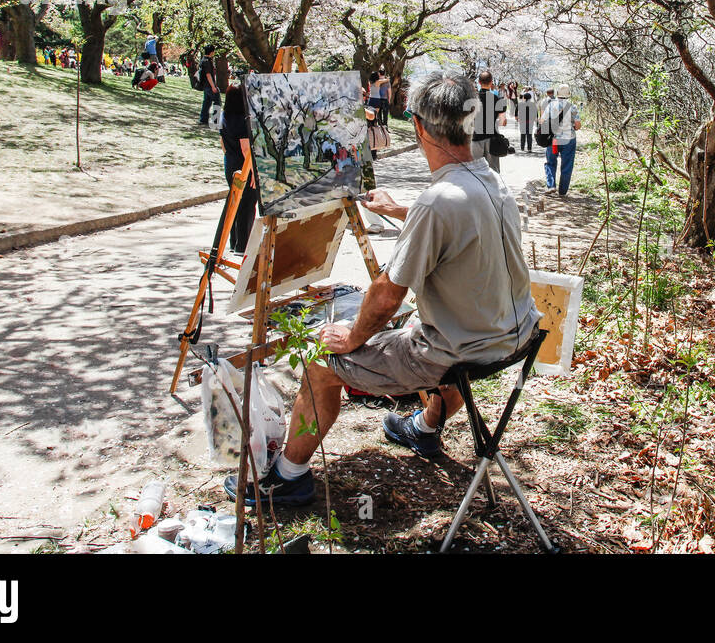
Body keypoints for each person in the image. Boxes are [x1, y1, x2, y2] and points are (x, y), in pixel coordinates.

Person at [224, 71, 542, 506]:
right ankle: (424, 428)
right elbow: (460, 219)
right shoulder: (491, 181)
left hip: (461, 352)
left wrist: (351, 337)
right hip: (516, 336)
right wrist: (400, 209)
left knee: (320, 362)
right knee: (417, 325)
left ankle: (287, 478)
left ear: (418, 126)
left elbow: (388, 294)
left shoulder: (437, 203)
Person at [219, 85, 258, 253]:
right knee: (248, 204)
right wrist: (254, 174)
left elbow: (222, 143)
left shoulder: (223, 115)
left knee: (235, 202)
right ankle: (243, 245)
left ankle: (234, 242)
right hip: (244, 165)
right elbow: (246, 148)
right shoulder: (242, 119)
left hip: (230, 162)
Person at [540, 83, 581, 197]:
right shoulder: (573, 107)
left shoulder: (551, 106)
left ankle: (551, 185)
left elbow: (542, 121)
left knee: (551, 162)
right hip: (569, 140)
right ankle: (562, 192)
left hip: (554, 140)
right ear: (569, 94)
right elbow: (577, 125)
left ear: (557, 94)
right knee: (567, 165)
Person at [470, 70, 508, 172]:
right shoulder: (497, 99)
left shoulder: (472, 99)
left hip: (475, 138)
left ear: (479, 82)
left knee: (476, 172)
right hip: (492, 138)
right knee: (493, 171)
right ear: (491, 83)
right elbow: (502, 121)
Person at [199, 45, 221, 126]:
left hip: (205, 85)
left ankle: (203, 119)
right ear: (211, 52)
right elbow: (208, 75)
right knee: (217, 101)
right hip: (209, 85)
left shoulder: (203, 60)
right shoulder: (207, 61)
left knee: (207, 102)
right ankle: (215, 121)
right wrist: (213, 86)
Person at [517, 87, 537, 152]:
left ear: (524, 98)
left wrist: (517, 118)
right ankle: (529, 148)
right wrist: (535, 119)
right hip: (530, 121)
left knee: (523, 134)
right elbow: (535, 112)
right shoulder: (533, 104)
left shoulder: (520, 104)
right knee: (529, 135)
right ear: (530, 98)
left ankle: (522, 148)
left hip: (522, 121)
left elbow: (517, 111)